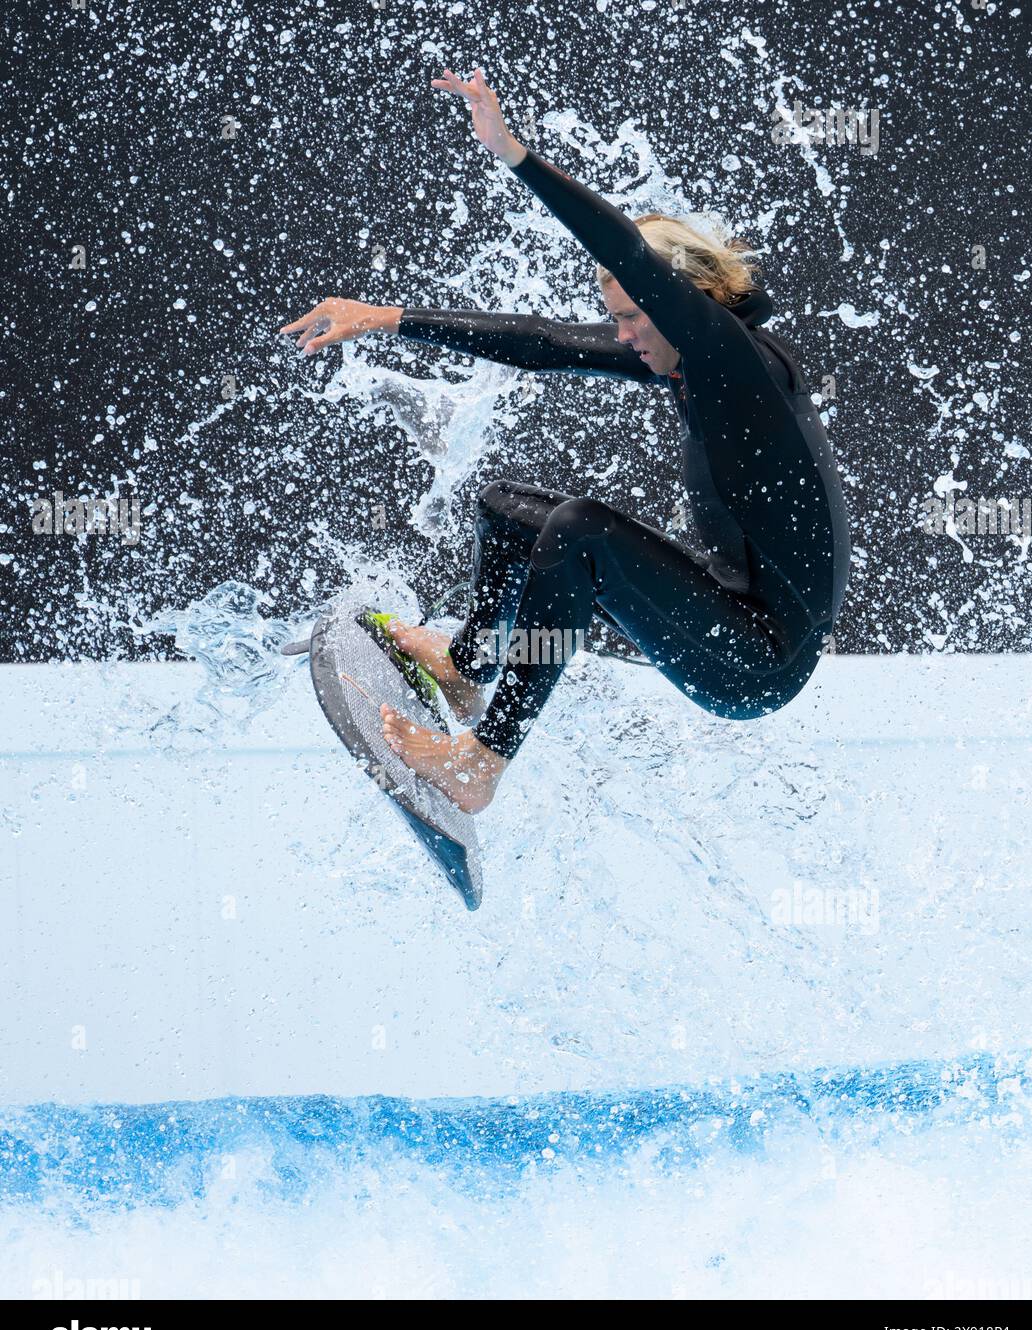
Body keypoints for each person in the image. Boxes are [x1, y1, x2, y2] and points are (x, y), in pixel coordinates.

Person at [280, 67, 850, 815]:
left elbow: (631, 253)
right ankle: (464, 666)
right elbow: (548, 341)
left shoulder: (737, 361)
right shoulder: (686, 362)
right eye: (616, 318)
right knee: (508, 510)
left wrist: (515, 154)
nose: (621, 336)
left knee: (581, 529)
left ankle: (479, 764)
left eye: (633, 318)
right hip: (726, 613)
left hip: (759, 660)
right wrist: (387, 317)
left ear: (687, 304)